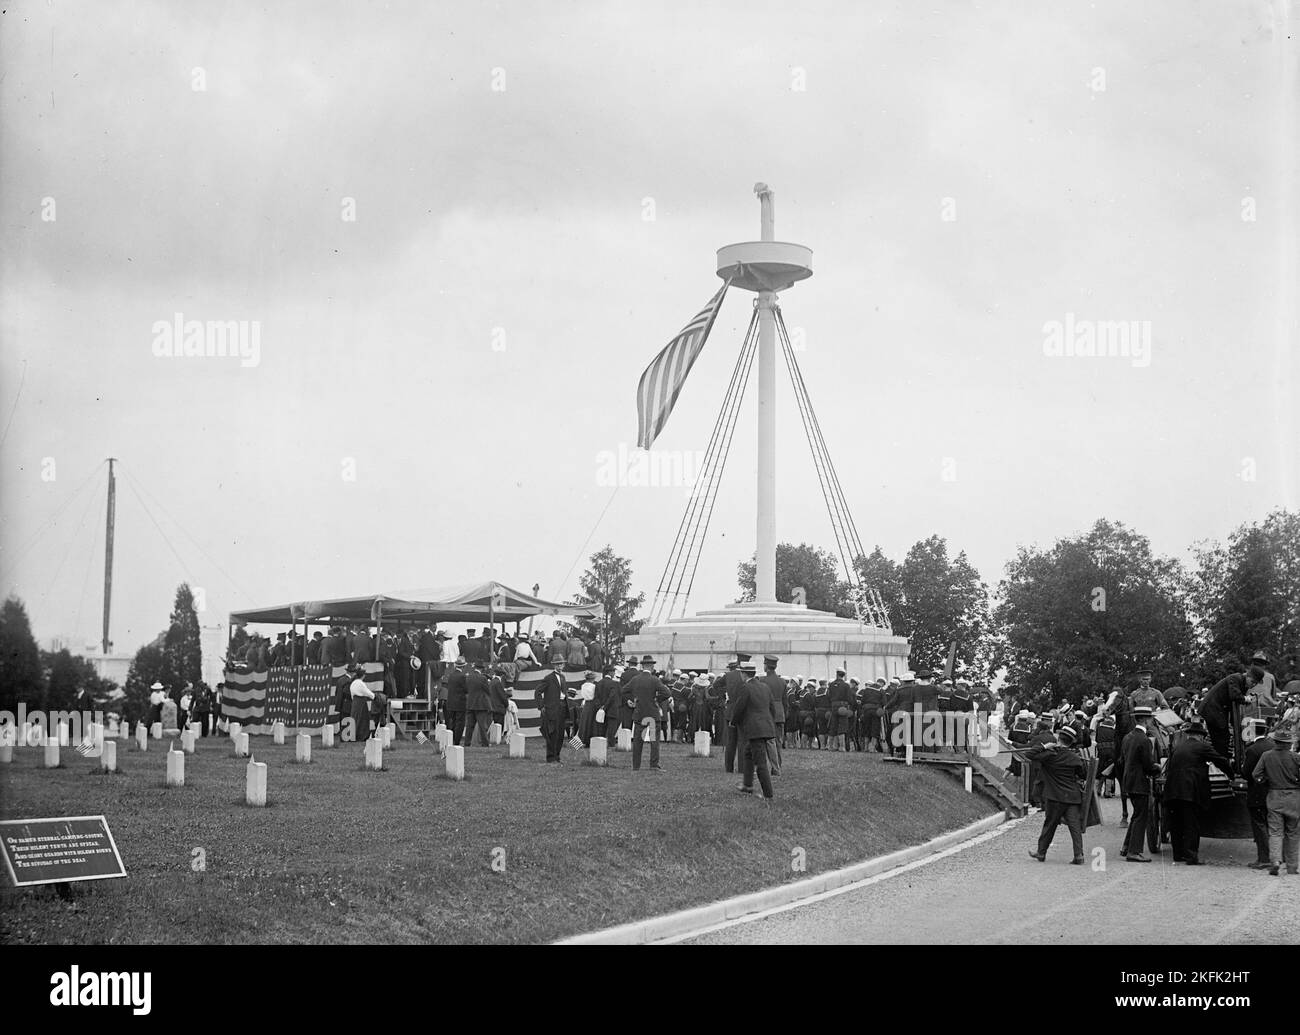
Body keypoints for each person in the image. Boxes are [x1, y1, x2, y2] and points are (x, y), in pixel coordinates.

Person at [1162, 719, 1233, 865]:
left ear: (1189, 735)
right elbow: (1220, 761)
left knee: (1176, 823)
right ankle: (1191, 856)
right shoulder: (1202, 747)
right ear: (1201, 736)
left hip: (1172, 790)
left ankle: (1178, 855)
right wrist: (1232, 775)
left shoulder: (1178, 747)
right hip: (1189, 791)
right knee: (1191, 823)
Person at [1023, 725, 1088, 864]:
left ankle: (1041, 853)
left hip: (1054, 796)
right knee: (1074, 826)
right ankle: (1079, 855)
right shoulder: (1075, 758)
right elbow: (1083, 774)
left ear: (1058, 739)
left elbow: (1028, 755)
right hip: (1072, 797)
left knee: (1050, 825)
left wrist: (1045, 747)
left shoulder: (1050, 756)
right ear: (1071, 742)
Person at [1252, 726, 1300, 875]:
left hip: (1274, 795)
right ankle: (1292, 867)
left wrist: (1266, 782)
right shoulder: (1295, 757)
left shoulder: (1267, 756)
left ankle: (1275, 861)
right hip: (1294, 797)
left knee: (1275, 831)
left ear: (1275, 741)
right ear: (1288, 743)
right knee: (1292, 832)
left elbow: (1256, 774)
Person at [1120, 705, 1160, 862]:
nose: (1151, 722)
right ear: (1145, 719)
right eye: (1150, 719)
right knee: (1141, 817)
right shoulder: (1144, 740)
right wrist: (1156, 768)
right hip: (1139, 783)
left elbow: (1124, 760)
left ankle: (1126, 847)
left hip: (1128, 781)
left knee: (1136, 814)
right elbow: (1148, 766)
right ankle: (1134, 852)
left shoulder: (1128, 737)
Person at [733, 660, 778, 800]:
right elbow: (772, 708)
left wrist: (733, 722)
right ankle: (748, 785)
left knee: (761, 763)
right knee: (748, 753)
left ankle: (768, 795)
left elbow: (740, 707)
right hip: (766, 726)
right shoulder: (764, 686)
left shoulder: (745, 688)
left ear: (744, 674)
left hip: (755, 728)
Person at [1241, 718, 1274, 869]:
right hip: (1273, 792)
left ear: (1252, 731)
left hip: (1257, 793)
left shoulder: (1252, 750)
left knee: (1259, 825)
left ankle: (1264, 859)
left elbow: (1246, 773)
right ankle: (1277, 857)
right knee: (1272, 826)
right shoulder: (1272, 746)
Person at [629, 655, 669, 772]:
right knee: (653, 741)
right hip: (652, 714)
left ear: (642, 666)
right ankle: (653, 765)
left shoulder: (635, 679)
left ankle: (636, 766)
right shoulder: (654, 680)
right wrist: (657, 699)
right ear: (651, 666)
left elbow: (624, 690)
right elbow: (666, 693)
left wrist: (633, 699)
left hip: (640, 713)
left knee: (637, 741)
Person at [715, 655, 750, 773]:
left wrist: (722, 697)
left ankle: (728, 768)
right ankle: (742, 768)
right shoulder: (748, 676)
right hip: (744, 711)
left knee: (730, 741)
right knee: (742, 741)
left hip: (730, 709)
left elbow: (716, 684)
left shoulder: (729, 675)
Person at [535, 661, 569, 764]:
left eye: (561, 664)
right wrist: (541, 706)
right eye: (557, 664)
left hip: (562, 707)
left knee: (560, 734)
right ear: (554, 665)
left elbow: (562, 693)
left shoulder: (563, 677)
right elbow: (538, 692)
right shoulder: (548, 678)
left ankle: (557, 756)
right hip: (552, 709)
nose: (559, 666)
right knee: (552, 733)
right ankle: (550, 757)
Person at [760, 655, 787, 775]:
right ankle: (778, 765)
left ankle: (772, 767)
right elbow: (785, 702)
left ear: (767, 666)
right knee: (778, 742)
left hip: (768, 714)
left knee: (767, 742)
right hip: (780, 714)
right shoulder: (782, 681)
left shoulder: (763, 681)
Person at [463, 661, 493, 746]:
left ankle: (467, 742)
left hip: (470, 703)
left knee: (469, 726)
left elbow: (466, 689)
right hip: (480, 704)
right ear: (481, 669)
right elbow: (488, 691)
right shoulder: (483, 678)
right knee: (482, 726)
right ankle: (485, 743)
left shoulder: (468, 677)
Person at [827, 668, 853, 752]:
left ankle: (830, 746)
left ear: (837, 674)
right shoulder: (846, 685)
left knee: (833, 725)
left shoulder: (831, 684)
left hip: (833, 706)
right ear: (844, 675)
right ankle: (841, 747)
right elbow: (849, 698)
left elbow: (828, 696)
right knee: (842, 726)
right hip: (843, 707)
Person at [444, 660, 469, 746]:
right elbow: (466, 689)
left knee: (453, 722)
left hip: (451, 703)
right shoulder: (462, 676)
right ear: (463, 667)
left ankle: (451, 739)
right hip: (460, 703)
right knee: (460, 723)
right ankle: (457, 741)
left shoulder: (451, 675)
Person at [348, 667, 375, 741]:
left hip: (354, 701)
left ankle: (353, 735)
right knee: (362, 719)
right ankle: (361, 735)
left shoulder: (353, 683)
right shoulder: (360, 683)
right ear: (363, 675)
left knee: (354, 717)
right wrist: (374, 696)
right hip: (361, 702)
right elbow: (367, 692)